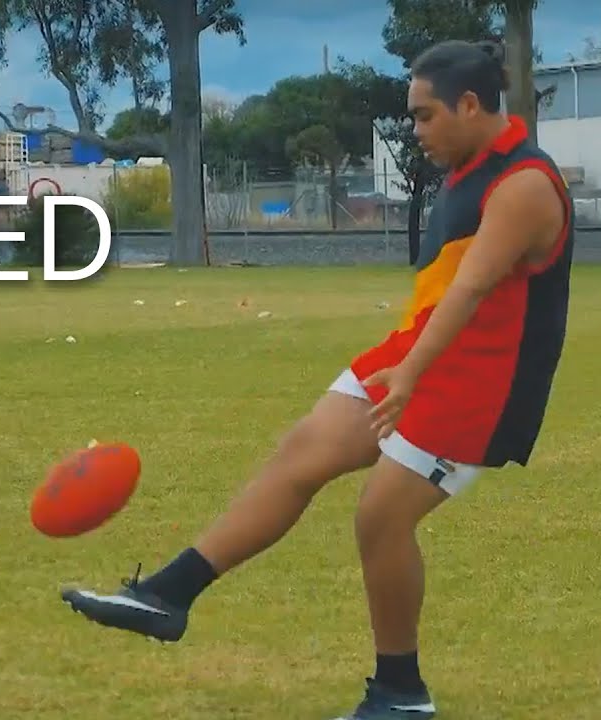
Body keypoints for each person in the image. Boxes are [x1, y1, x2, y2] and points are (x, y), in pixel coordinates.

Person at [60, 38, 574, 720]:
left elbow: (474, 289)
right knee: (302, 451)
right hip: (417, 355)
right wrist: (405, 363)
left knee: (380, 518)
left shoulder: (525, 186)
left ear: (470, 105)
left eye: (424, 116)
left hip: (480, 383)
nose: (413, 131)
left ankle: (400, 695)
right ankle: (167, 596)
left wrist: (411, 376)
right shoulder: (468, 162)